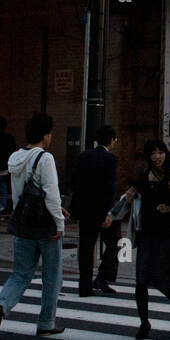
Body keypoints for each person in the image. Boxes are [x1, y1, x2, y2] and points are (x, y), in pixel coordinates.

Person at [0, 113, 67, 340]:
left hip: (23, 223)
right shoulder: (45, 158)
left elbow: (21, 195)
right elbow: (50, 194)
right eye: (50, 133)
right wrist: (59, 221)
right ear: (45, 135)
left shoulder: (15, 158)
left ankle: (1, 305)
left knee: (20, 274)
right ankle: (46, 323)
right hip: (46, 226)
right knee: (52, 275)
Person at [107, 140, 170, 338]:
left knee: (162, 279)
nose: (157, 157)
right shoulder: (145, 175)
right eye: (153, 153)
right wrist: (131, 193)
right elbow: (138, 195)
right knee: (141, 281)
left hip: (166, 232)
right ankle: (144, 323)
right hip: (146, 232)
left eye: (160, 152)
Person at [73, 125, 122, 297]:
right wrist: (109, 213)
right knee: (115, 243)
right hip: (103, 210)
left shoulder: (83, 156)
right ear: (111, 140)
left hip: (85, 210)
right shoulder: (111, 159)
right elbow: (109, 188)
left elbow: (75, 183)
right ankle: (102, 277)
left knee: (86, 248)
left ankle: (84, 286)